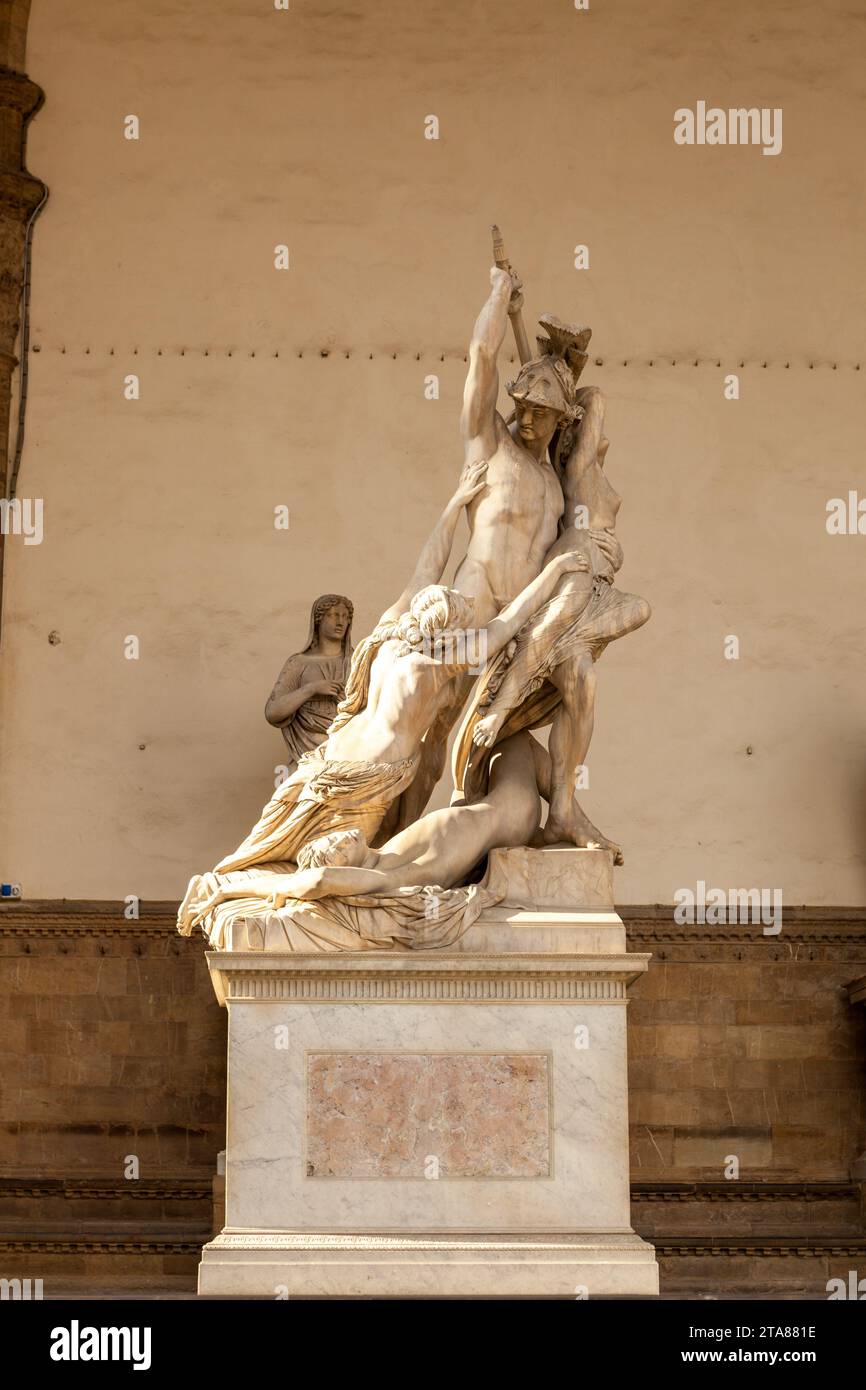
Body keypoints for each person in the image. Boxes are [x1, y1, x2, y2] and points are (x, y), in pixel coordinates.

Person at [184, 458, 588, 894]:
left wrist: (455, 505)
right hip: (368, 780)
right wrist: (554, 571)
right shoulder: (435, 664)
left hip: (326, 765)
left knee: (265, 847)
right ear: (448, 631)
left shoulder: (389, 637)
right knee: (358, 870)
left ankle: (222, 884)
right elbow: (510, 621)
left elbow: (426, 567)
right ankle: (237, 890)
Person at [264, 594, 353, 773]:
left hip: (351, 752)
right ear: (318, 620)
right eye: (333, 615)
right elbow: (273, 712)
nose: (340, 621)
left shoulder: (358, 661)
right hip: (308, 756)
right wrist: (311, 689)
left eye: (345, 616)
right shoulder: (299, 663)